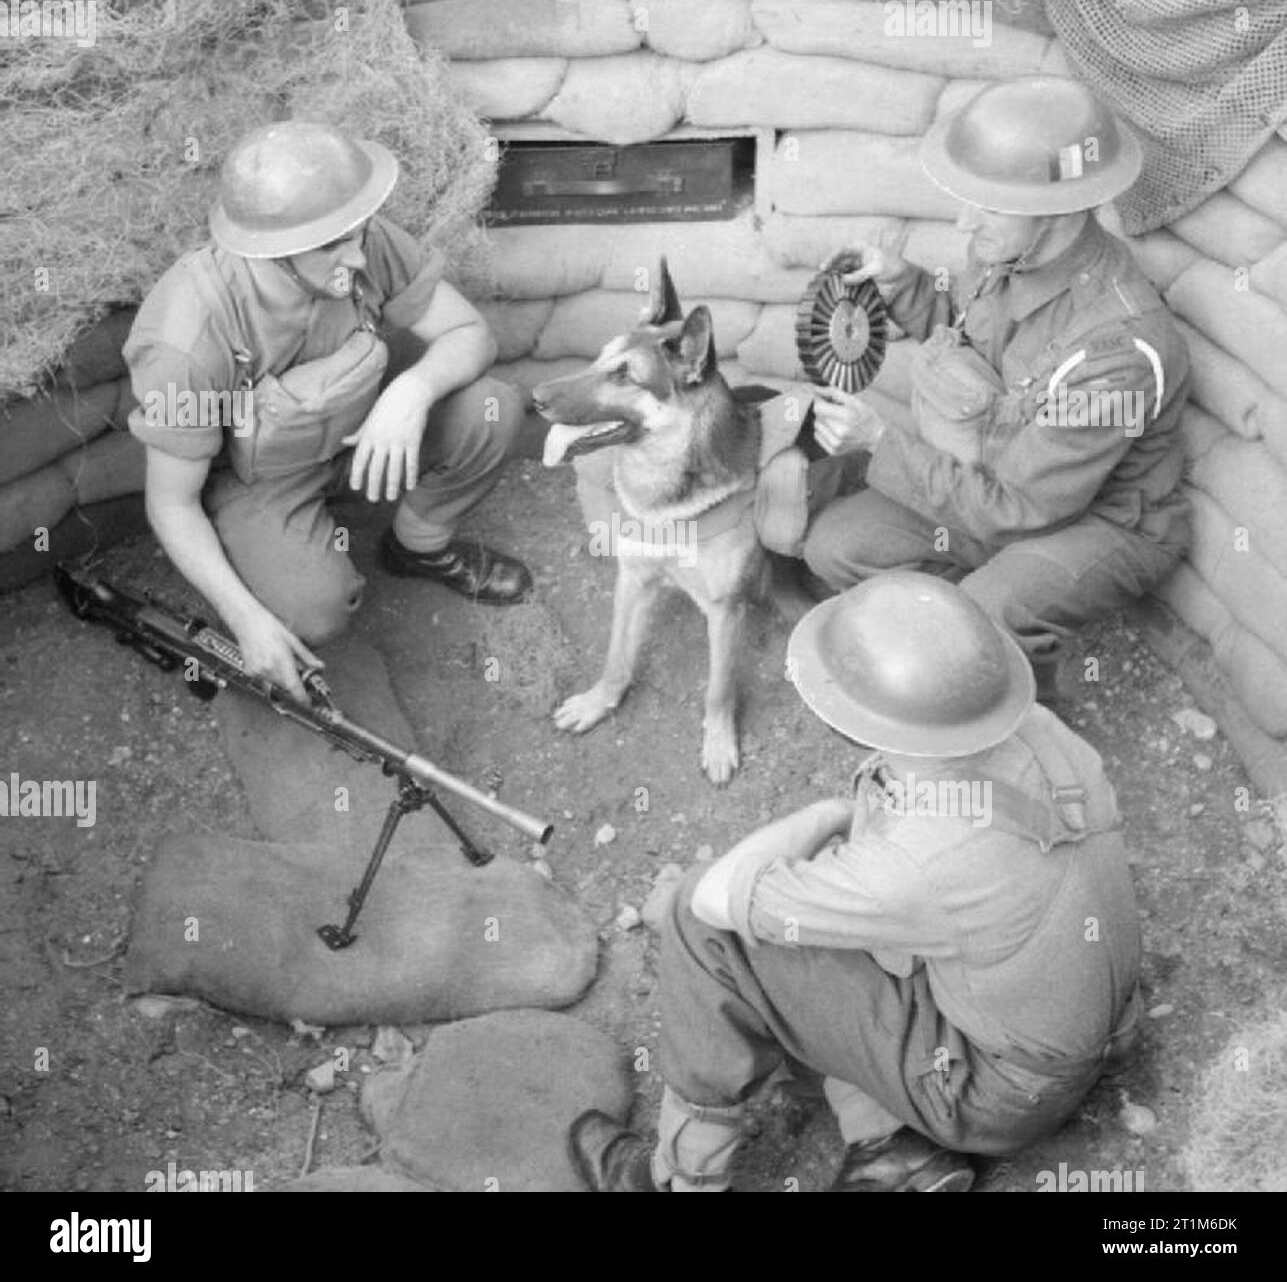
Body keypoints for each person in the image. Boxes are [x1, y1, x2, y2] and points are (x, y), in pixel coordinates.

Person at [569, 572, 1142, 1192]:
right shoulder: (1040, 731)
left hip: (993, 1095)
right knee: (826, 914)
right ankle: (892, 1150)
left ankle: (678, 1179)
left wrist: (823, 815)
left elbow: (710, 901)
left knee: (703, 930)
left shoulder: (918, 862)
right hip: (1091, 1034)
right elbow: (918, 913)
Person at [797, 76, 1191, 701]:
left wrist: (881, 446)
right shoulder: (1007, 255)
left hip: (1097, 522)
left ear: (1059, 211)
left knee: (984, 614)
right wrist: (903, 286)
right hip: (999, 484)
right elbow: (975, 352)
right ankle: (966, 622)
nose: (962, 221)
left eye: (987, 206)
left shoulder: (1119, 352)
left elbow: (1020, 510)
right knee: (836, 546)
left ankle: (1024, 721)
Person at [123, 120, 531, 702]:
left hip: (363, 430)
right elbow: (171, 502)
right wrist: (244, 619)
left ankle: (418, 547)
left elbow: (470, 333)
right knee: (314, 610)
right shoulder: (188, 335)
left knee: (494, 410)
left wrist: (409, 394)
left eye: (357, 231)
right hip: (261, 479)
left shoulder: (356, 244)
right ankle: (274, 560)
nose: (359, 254)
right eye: (333, 244)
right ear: (274, 251)